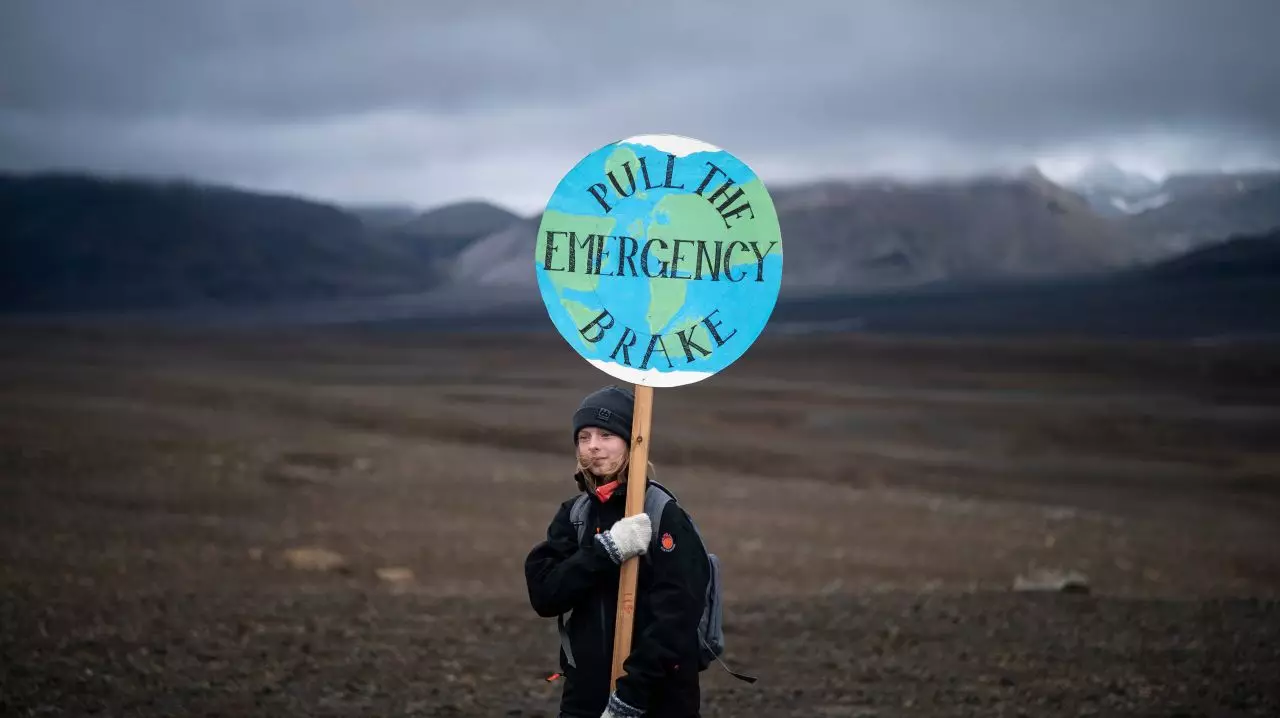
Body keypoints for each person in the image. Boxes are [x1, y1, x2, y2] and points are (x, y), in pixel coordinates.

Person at [525, 385, 711, 718]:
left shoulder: (662, 514)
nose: (593, 446)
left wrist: (630, 698)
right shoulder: (575, 515)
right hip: (584, 699)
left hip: (658, 702)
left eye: (606, 435)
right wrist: (606, 551)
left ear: (631, 442)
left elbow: (676, 618)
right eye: (584, 437)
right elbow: (545, 594)